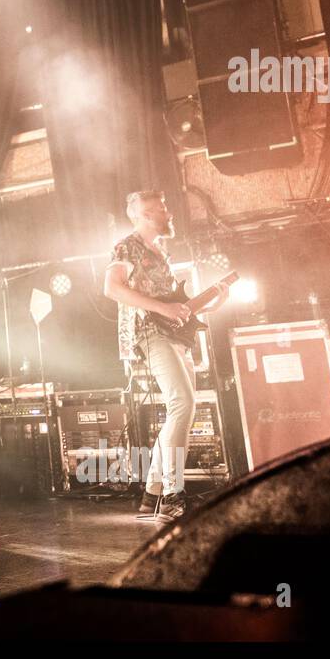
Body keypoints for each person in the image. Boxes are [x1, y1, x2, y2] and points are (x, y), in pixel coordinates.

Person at [103, 190, 227, 521]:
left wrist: (215, 302)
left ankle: (152, 494)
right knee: (182, 404)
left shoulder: (163, 252)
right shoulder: (127, 246)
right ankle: (172, 497)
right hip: (149, 333)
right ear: (144, 215)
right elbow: (112, 289)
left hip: (175, 335)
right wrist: (163, 308)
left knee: (183, 409)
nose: (168, 213)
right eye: (161, 209)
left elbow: (179, 308)